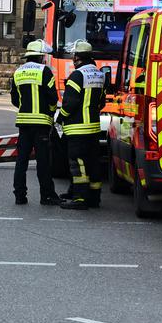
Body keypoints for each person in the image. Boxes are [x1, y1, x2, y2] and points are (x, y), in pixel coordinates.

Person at [58, 39, 106, 210]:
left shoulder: (77, 76)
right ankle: (94, 198)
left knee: (77, 164)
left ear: (77, 57)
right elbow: (101, 103)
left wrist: (60, 118)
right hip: (93, 128)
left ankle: (80, 198)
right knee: (92, 163)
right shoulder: (99, 74)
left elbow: (69, 104)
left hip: (77, 129)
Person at [10, 41, 59, 206]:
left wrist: (26, 108)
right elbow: (53, 98)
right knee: (43, 161)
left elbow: (15, 100)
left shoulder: (18, 72)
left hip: (23, 122)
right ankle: (46, 196)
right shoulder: (44, 71)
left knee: (21, 160)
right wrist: (50, 112)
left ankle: (19, 196)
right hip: (41, 124)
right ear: (40, 56)